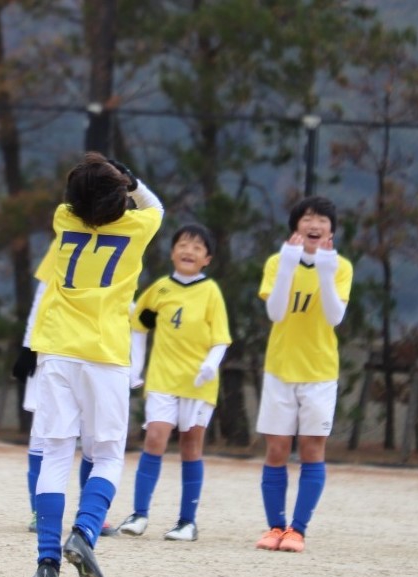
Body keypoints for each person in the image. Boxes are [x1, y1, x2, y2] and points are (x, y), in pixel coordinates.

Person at [29, 152, 163, 577]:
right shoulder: (137, 227)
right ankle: (84, 533)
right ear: (117, 198)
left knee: (53, 453)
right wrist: (133, 181)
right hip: (104, 354)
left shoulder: (63, 220)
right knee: (104, 455)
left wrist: (105, 184)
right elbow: (155, 207)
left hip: (57, 350)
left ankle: (46, 561)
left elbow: (76, 201)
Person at [117, 223, 231, 541]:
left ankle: (187, 521)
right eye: (183, 244)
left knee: (191, 445)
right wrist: (135, 368)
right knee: (155, 437)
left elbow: (221, 338)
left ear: (207, 258)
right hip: (163, 378)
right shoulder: (160, 288)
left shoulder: (210, 292)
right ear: (172, 252)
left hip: (198, 383)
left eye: (197, 247)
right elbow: (139, 324)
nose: (188, 251)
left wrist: (211, 365)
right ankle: (139, 514)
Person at [254, 195, 353, 553]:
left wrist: (325, 270)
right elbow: (276, 312)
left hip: (320, 372)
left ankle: (298, 530)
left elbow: (334, 317)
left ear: (331, 229)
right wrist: (287, 266)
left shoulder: (340, 267)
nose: (315, 224)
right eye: (308, 218)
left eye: (322, 219)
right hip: (280, 369)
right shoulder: (277, 261)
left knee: (312, 449)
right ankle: (275, 527)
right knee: (277, 449)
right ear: (295, 227)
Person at [13, 238, 116, 537]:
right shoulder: (65, 238)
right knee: (45, 436)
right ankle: (38, 509)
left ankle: (90, 513)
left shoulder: (121, 236)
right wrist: (27, 345)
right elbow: (42, 294)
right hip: (53, 347)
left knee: (94, 438)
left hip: (96, 351)